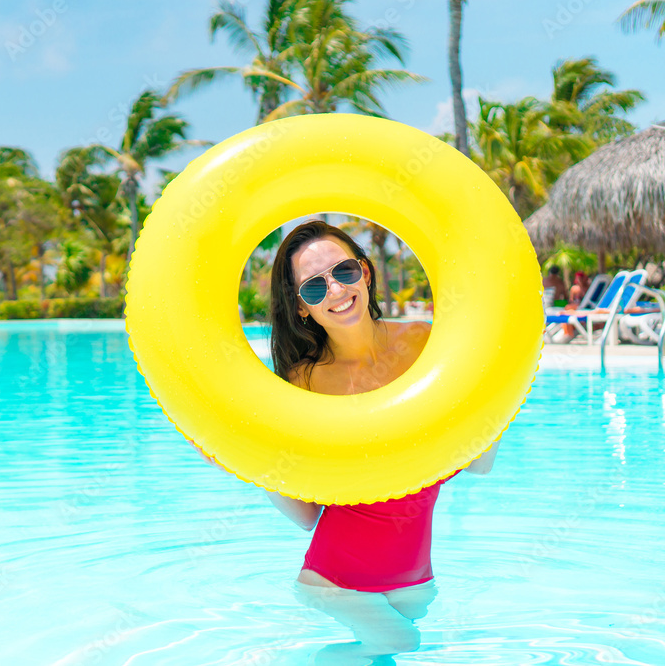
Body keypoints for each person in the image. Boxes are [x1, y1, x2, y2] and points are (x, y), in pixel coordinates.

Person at [193, 218, 499, 663]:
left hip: (415, 584)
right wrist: (244, 461)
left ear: (365, 272)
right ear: (301, 308)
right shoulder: (303, 383)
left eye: (344, 272)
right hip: (335, 580)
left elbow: (480, 463)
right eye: (314, 288)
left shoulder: (427, 346)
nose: (335, 290)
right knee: (400, 645)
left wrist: (493, 388)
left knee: (382, 655)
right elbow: (306, 514)